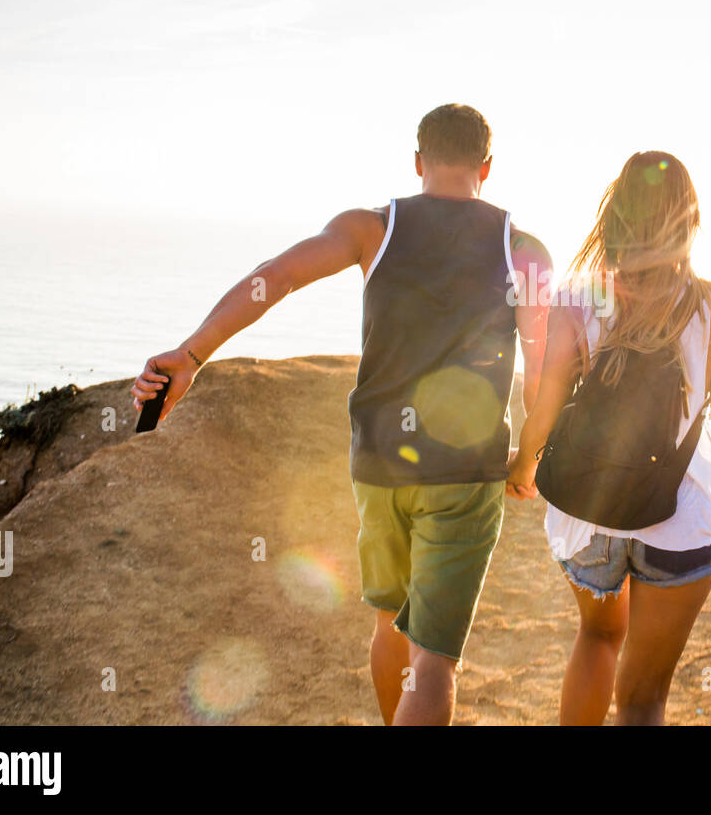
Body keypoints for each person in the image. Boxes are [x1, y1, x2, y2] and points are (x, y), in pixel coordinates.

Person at [130, 104, 552, 725]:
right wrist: (527, 460)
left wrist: (192, 354)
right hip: (464, 473)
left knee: (390, 621)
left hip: (378, 464)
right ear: (487, 167)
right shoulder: (524, 250)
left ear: (417, 161)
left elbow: (273, 279)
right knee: (434, 660)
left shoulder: (369, 229)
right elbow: (542, 369)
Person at [506, 150, 711, 726]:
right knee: (645, 696)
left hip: (589, 515)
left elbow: (541, 408)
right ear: (690, 223)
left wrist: (524, 467)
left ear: (615, 217)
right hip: (681, 521)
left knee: (598, 640)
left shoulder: (580, 297)